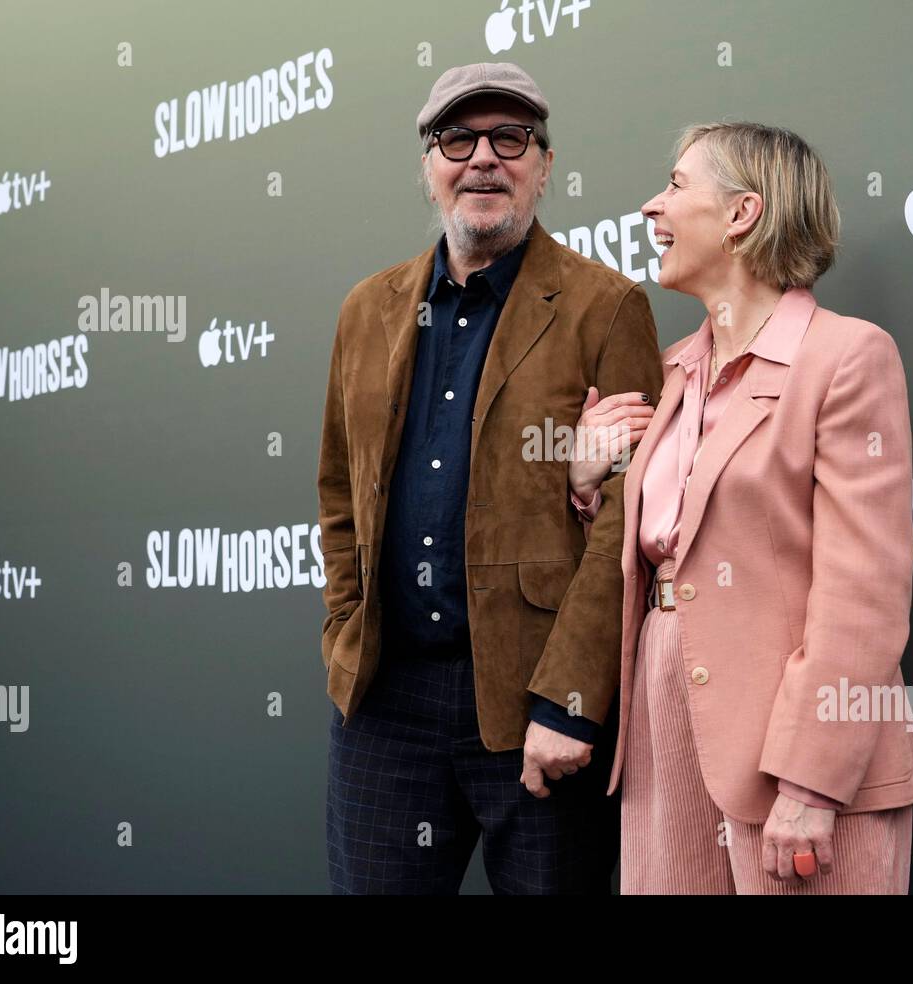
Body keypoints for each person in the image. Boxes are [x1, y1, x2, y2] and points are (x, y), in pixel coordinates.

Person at [316, 62, 663, 894]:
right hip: (384, 701)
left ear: (544, 165)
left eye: (510, 139)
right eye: (458, 139)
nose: (483, 159)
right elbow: (339, 488)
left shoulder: (605, 306)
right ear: (428, 167)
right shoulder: (368, 308)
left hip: (535, 704)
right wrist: (342, 629)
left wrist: (571, 697)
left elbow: (624, 515)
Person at [569, 121, 913, 893]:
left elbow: (863, 593)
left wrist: (811, 783)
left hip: (797, 751)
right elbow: (666, 546)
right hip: (664, 733)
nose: (649, 207)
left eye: (676, 186)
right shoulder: (669, 373)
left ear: (742, 215)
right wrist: (587, 482)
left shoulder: (847, 357)